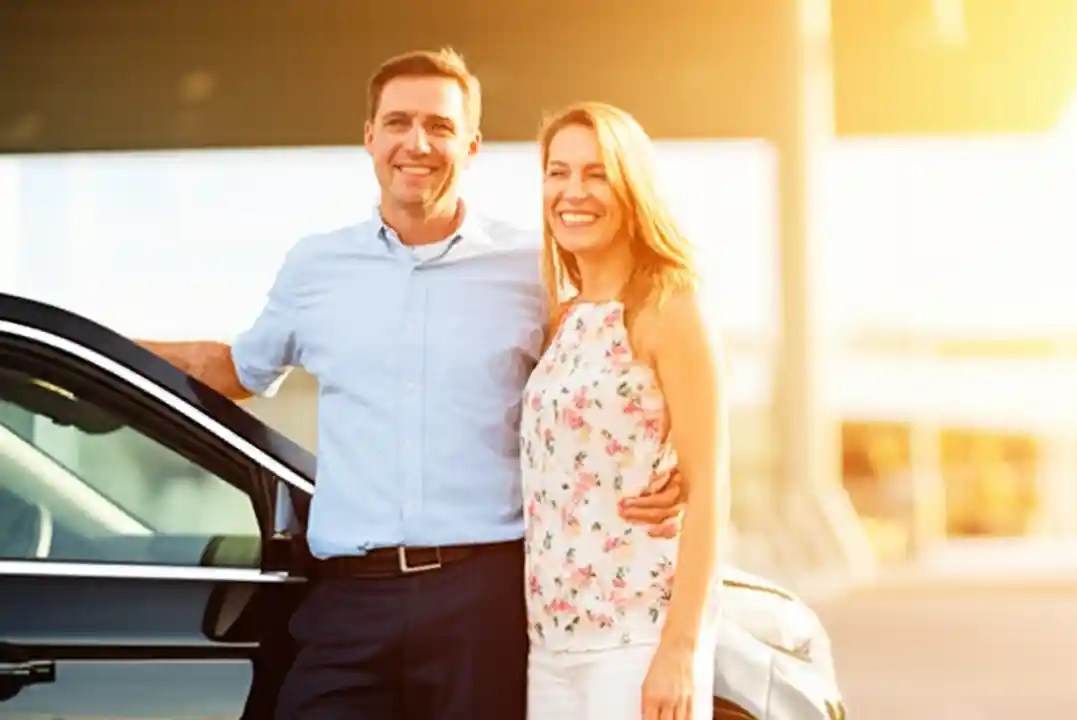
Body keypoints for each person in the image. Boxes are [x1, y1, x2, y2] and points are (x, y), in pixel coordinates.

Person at [135, 49, 683, 719]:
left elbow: (609, 369)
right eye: (398, 122)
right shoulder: (316, 267)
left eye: (440, 127)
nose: (416, 144)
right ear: (369, 136)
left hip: (482, 604)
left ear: (472, 146)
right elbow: (231, 371)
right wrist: (84, 350)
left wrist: (680, 452)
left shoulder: (532, 268)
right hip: (346, 604)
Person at [521, 102, 727, 720]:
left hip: (637, 639)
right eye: (558, 172)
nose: (572, 192)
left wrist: (680, 652)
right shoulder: (562, 317)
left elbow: (712, 491)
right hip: (550, 645)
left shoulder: (669, 304)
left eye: (596, 173)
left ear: (631, 186)